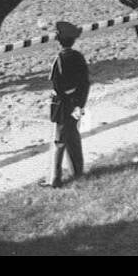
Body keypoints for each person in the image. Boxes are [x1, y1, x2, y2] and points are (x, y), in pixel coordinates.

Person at [47, 21, 91, 188]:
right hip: (77, 104)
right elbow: (85, 83)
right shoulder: (79, 57)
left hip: (63, 105)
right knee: (73, 135)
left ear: (59, 40)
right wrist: (80, 104)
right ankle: (77, 171)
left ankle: (55, 179)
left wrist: (61, 98)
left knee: (60, 140)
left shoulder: (59, 60)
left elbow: (56, 86)